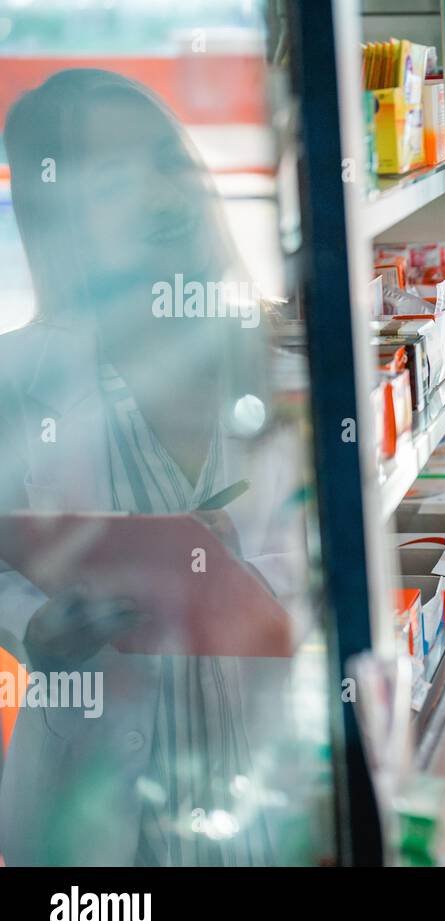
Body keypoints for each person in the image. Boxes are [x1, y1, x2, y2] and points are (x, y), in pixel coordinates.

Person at [0, 69, 306, 865]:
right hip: (96, 811)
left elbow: (342, 556)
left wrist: (248, 583)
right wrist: (32, 623)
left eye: (164, 160)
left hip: (264, 793)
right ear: (55, 217)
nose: (155, 194)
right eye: (109, 179)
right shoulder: (17, 380)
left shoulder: (283, 355)